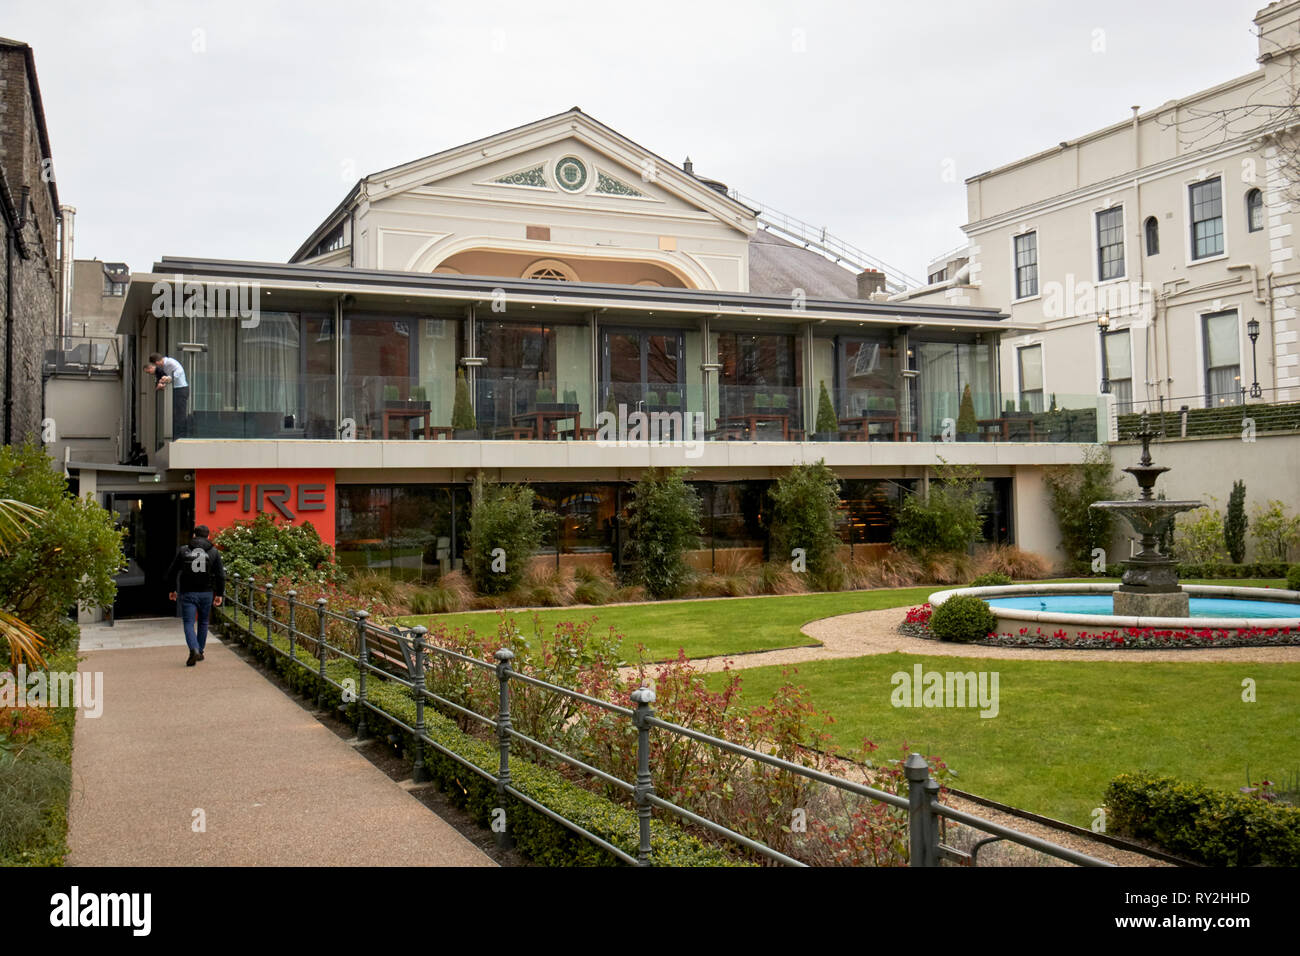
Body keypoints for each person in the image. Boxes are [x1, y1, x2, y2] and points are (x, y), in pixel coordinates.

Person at [165, 525, 225, 667]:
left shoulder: (184, 550)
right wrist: (220, 594)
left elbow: (172, 572)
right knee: (203, 622)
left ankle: (194, 649)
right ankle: (200, 651)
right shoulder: (214, 552)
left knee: (188, 623)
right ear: (208, 537)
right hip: (206, 593)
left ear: (193, 536)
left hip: (188, 592)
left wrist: (172, 590)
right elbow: (220, 575)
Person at [146, 352, 189, 438]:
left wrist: (169, 378)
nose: (157, 366)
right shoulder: (165, 366)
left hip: (181, 388)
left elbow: (179, 371)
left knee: (180, 413)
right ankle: (178, 434)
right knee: (176, 413)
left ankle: (182, 435)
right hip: (176, 389)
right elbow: (169, 378)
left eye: (155, 364)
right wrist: (164, 382)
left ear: (157, 362)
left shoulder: (170, 362)